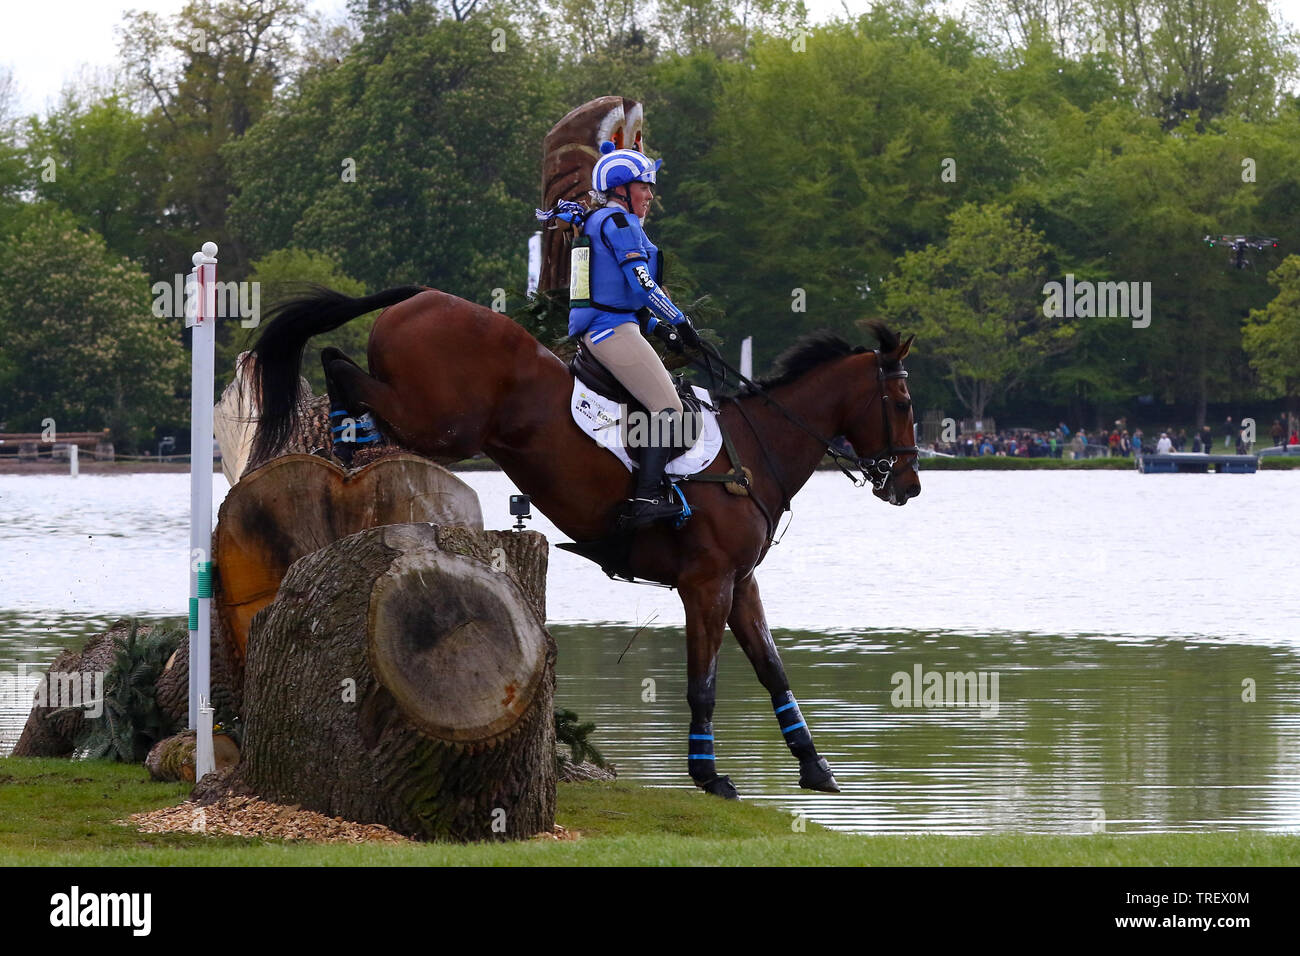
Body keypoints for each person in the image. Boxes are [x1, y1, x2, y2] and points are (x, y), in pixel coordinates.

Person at [562, 142, 702, 528]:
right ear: (622, 189)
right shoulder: (619, 223)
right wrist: (680, 321)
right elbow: (641, 285)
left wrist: (660, 330)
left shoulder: (600, 220)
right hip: (611, 332)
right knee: (671, 413)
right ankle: (645, 498)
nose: (650, 195)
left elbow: (616, 298)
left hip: (613, 326)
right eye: (645, 187)